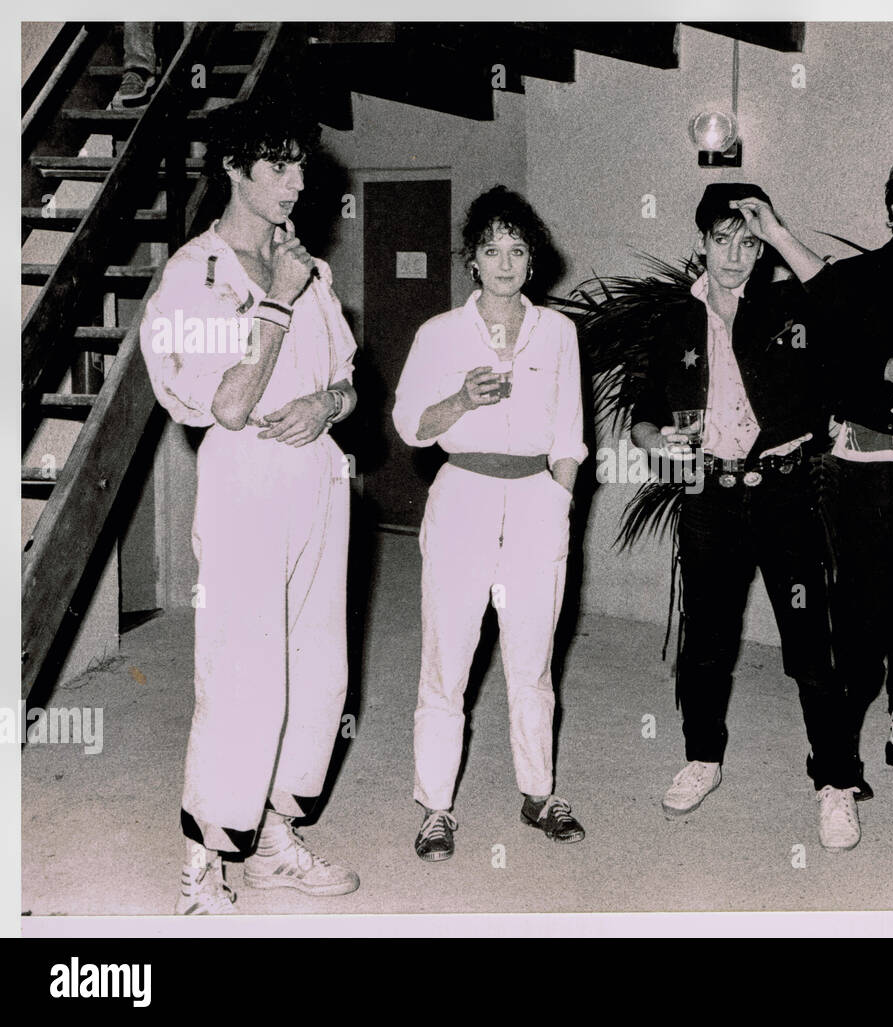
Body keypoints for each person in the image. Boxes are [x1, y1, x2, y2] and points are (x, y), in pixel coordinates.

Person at [140, 96, 361, 913]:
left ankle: (272, 836)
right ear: (235, 169)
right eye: (279, 166)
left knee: (318, 668)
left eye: (302, 163)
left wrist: (328, 406)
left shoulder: (307, 263)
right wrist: (277, 298)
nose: (299, 181)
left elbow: (349, 379)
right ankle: (203, 862)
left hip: (319, 479)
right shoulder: (193, 275)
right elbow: (227, 405)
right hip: (245, 482)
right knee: (242, 672)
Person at [735, 149, 893, 786]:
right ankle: (837, 755)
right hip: (869, 473)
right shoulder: (862, 278)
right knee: (862, 622)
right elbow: (821, 371)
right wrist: (880, 371)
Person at [629, 183, 869, 852]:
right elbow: (645, 403)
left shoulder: (789, 304)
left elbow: (848, 310)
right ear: (701, 243)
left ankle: (835, 782)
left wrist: (781, 230)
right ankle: (703, 757)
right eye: (722, 239)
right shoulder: (676, 319)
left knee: (809, 647)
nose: (735, 254)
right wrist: (653, 441)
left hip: (784, 497)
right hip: (709, 496)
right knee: (706, 642)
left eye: (748, 240)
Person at [392, 185, 587, 863]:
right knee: (448, 660)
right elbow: (411, 426)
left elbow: (570, 434)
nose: (504, 262)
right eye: (491, 249)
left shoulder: (558, 332)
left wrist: (557, 501)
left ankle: (539, 793)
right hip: (464, 497)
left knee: (532, 662)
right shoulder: (440, 334)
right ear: (471, 260)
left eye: (517, 249)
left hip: (535, 498)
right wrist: (458, 398)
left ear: (533, 261)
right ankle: (435, 807)